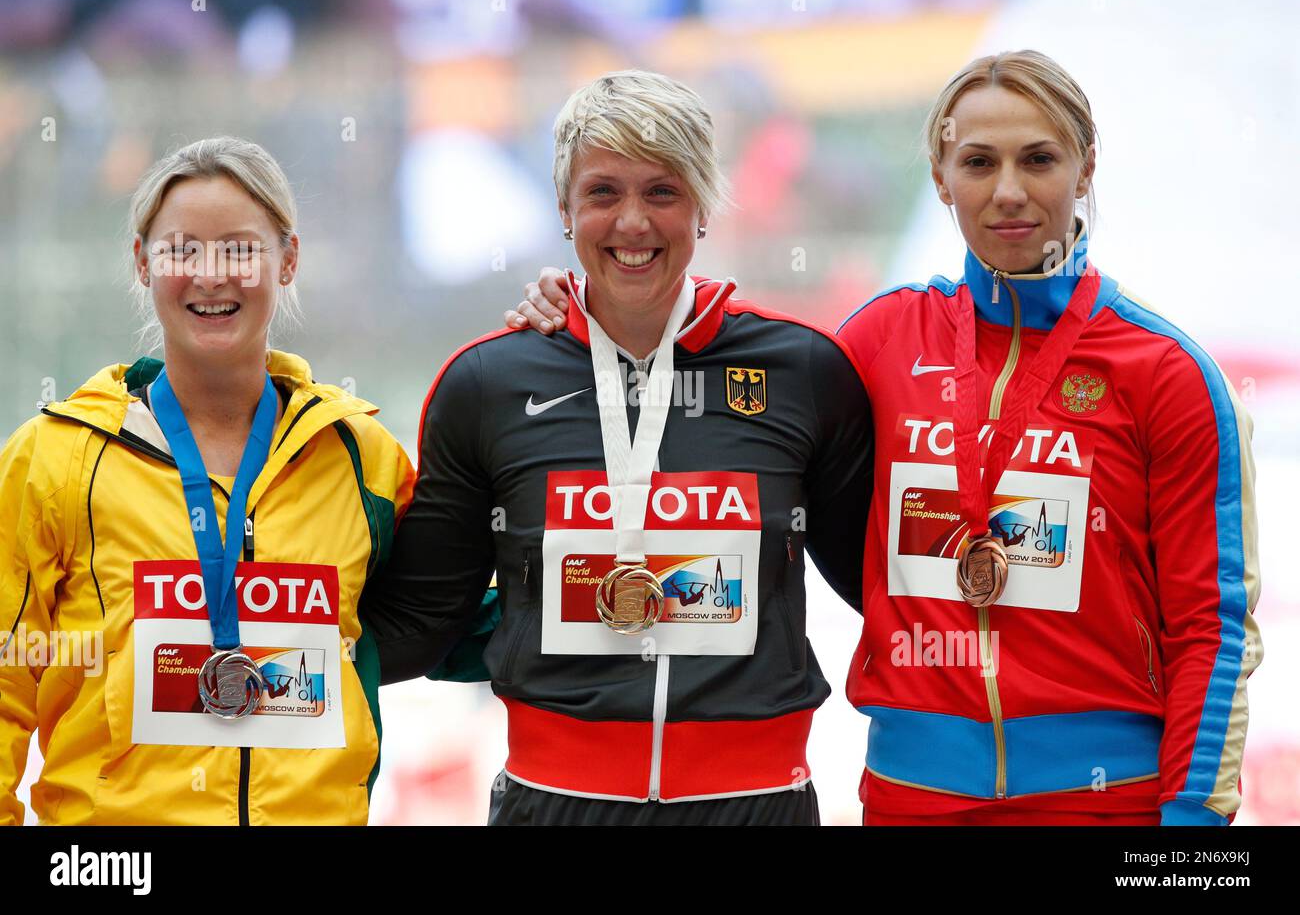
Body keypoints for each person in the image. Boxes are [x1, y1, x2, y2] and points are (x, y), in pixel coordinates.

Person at [509, 50, 1261, 826]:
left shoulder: (1163, 371)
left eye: (1038, 159)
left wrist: (1194, 833)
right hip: (912, 795)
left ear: (1085, 166)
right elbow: (725, 359)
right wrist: (583, 312)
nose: (1009, 191)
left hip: (1108, 797)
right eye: (978, 161)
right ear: (941, 178)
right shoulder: (880, 340)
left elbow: (1213, 624)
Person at [362, 70, 873, 825]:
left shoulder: (801, 371)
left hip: (756, 804)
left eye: (662, 192)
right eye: (603, 193)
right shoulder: (490, 383)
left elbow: (888, 586)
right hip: (555, 804)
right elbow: (424, 619)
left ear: (702, 208)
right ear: (566, 212)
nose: (632, 222)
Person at [0, 137, 415, 825]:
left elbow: (453, 614)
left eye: (242, 249)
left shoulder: (361, 458)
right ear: (142, 263)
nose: (212, 274)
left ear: (288, 260)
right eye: (182, 249)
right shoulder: (53, 459)